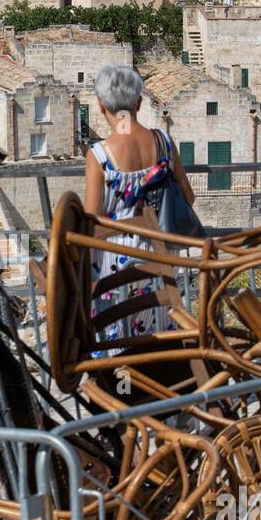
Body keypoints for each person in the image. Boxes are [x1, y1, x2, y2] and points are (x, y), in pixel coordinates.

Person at [84, 65, 194, 347]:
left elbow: (91, 219)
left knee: (117, 339)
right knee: (156, 333)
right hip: (158, 255)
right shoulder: (164, 143)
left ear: (100, 105)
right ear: (139, 102)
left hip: (114, 261)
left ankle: (122, 387)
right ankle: (158, 383)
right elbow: (188, 197)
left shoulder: (99, 156)